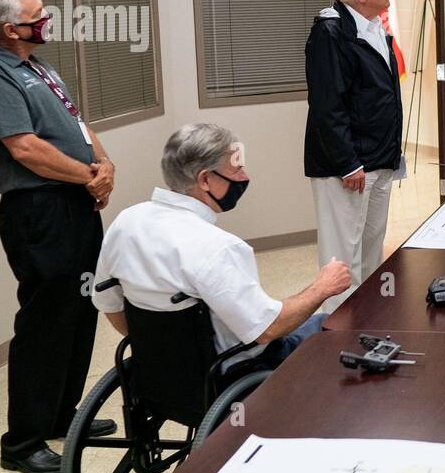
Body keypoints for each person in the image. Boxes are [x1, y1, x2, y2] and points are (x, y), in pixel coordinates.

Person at [0, 0, 116, 473]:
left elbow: (76, 123)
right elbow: (23, 148)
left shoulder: (39, 67)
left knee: (79, 309)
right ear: (9, 29)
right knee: (46, 321)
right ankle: (23, 440)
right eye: (37, 18)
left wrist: (103, 163)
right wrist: (88, 177)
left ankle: (60, 415)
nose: (47, 23)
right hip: (39, 212)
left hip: (74, 203)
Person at [93, 123, 350, 370]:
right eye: (236, 170)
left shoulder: (126, 222)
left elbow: (109, 305)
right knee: (332, 325)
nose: (245, 177)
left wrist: (159, 348)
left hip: (160, 370)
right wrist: (322, 288)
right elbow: (267, 329)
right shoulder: (216, 247)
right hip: (234, 369)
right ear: (205, 179)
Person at [304, 0, 405, 313]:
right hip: (346, 167)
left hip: (379, 160)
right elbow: (327, 106)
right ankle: (337, 330)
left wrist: (393, 155)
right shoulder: (330, 33)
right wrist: (347, 163)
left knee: (370, 250)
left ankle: (366, 321)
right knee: (341, 256)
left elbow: (382, 98)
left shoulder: (376, 28)